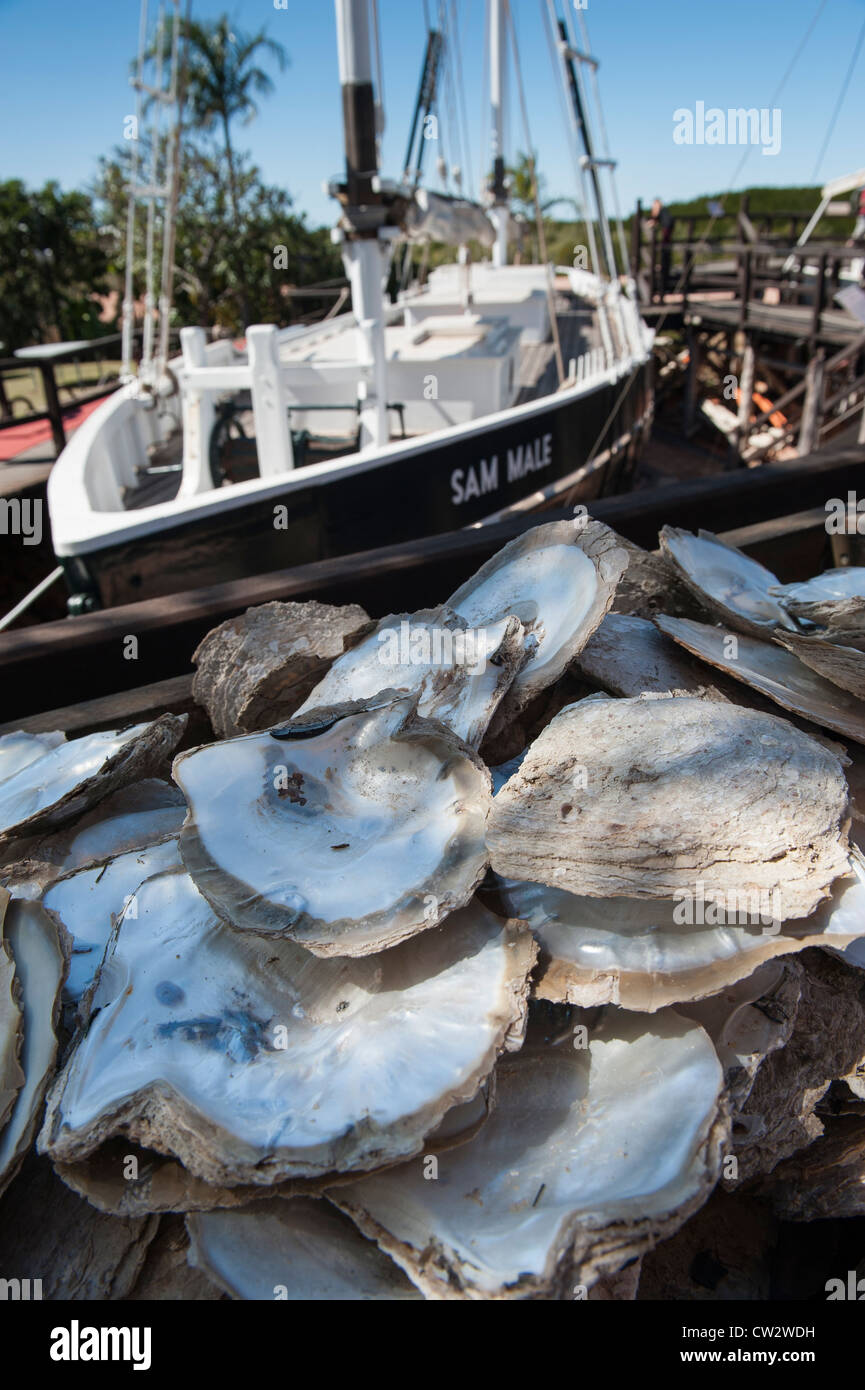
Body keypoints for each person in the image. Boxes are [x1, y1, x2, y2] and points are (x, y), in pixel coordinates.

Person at [646, 196, 673, 297]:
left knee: (664, 255)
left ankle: (664, 281)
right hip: (666, 236)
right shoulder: (664, 211)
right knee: (665, 255)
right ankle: (664, 272)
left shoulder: (662, 211)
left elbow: (654, 218)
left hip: (666, 236)